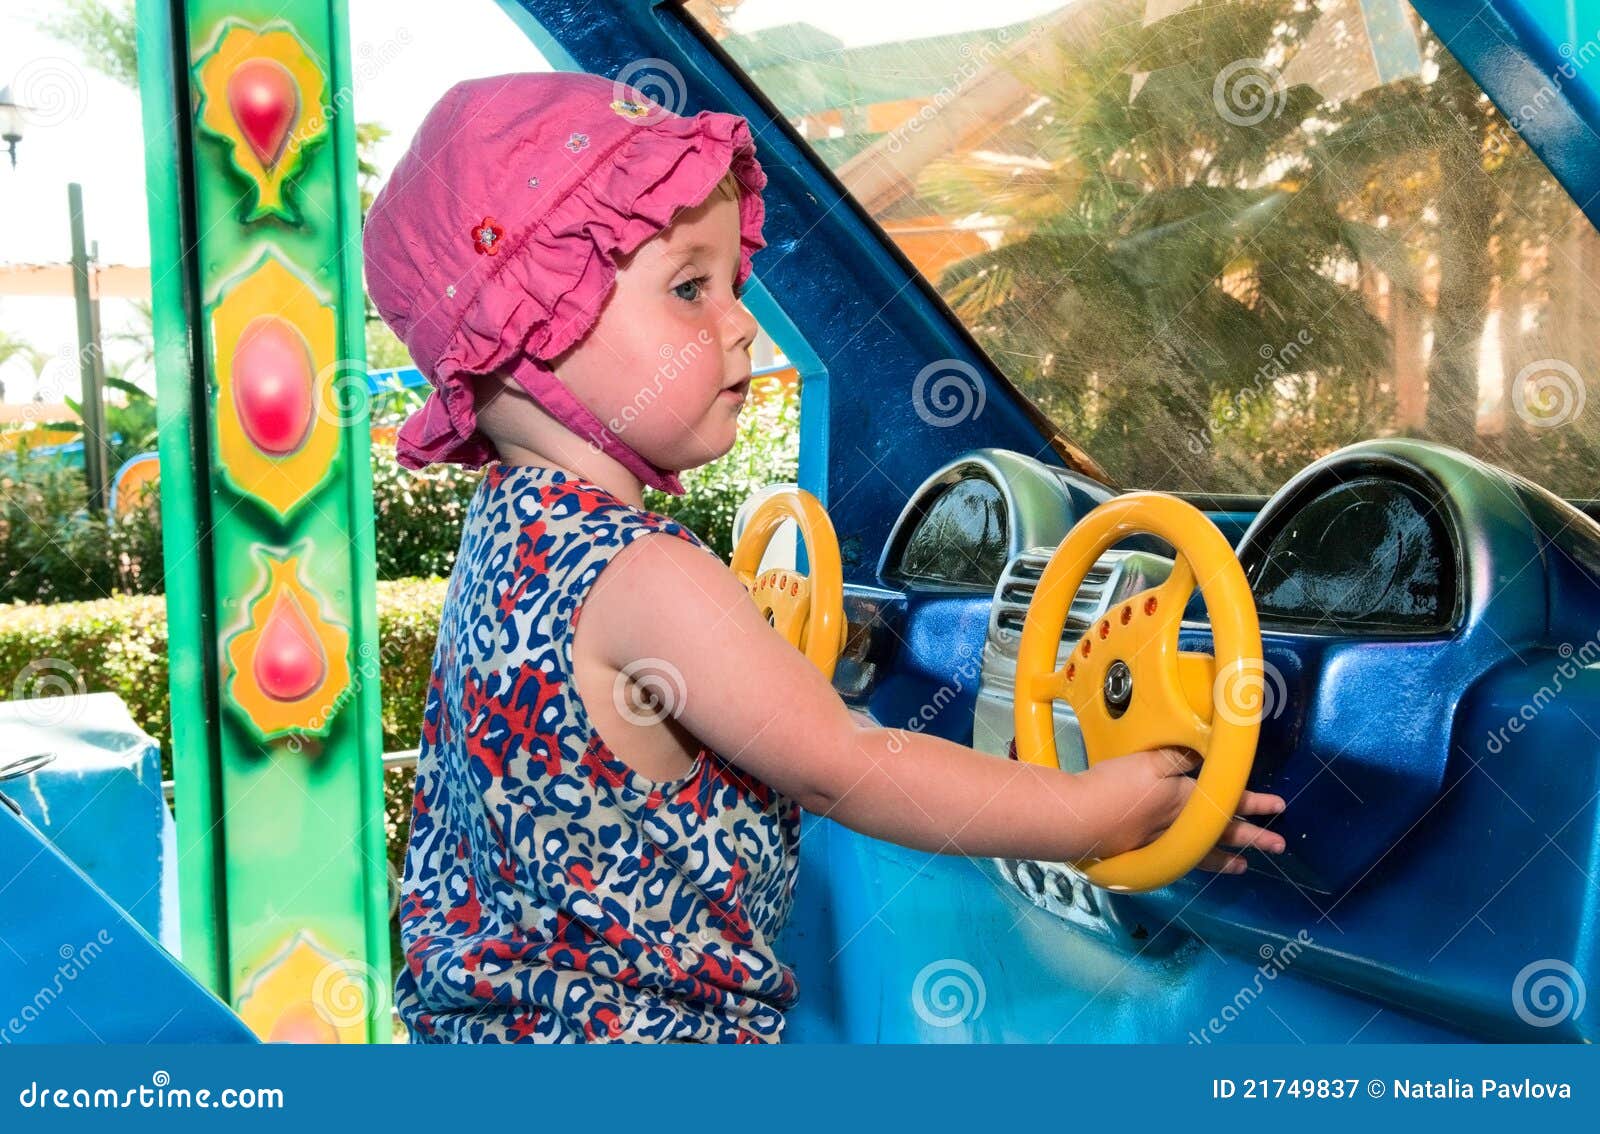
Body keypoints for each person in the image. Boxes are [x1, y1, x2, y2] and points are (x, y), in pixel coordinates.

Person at [362, 70, 1286, 1044]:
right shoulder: (645, 573)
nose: (740, 323)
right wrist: (1093, 810)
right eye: (689, 288)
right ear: (533, 331)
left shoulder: (508, 532)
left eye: (732, 284)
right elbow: (847, 768)